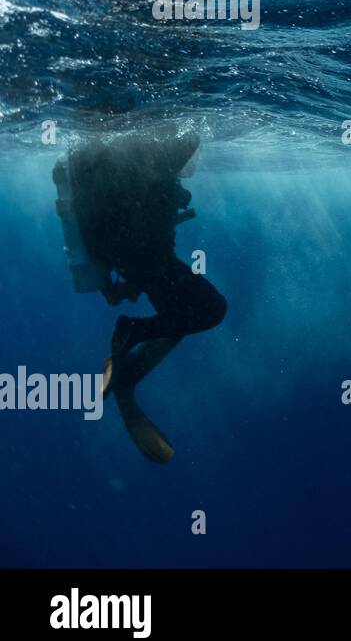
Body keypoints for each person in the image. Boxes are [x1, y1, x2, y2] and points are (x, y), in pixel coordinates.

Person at [54, 129, 226, 462]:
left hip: (134, 259)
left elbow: (127, 213)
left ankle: (127, 374)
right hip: (149, 259)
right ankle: (132, 336)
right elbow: (185, 144)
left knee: (178, 321)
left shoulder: (114, 156)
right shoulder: (149, 151)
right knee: (211, 310)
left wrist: (116, 279)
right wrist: (192, 123)